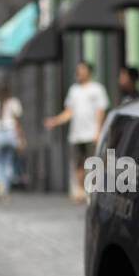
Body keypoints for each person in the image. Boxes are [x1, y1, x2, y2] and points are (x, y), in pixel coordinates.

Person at [44, 60, 109, 204]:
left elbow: (100, 111)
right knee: (78, 163)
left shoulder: (97, 89)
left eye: (82, 69)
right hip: (76, 134)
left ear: (89, 71)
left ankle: (93, 190)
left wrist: (99, 131)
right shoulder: (74, 90)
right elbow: (69, 112)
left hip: (92, 132)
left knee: (93, 162)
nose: (78, 72)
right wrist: (55, 121)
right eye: (77, 70)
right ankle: (80, 190)